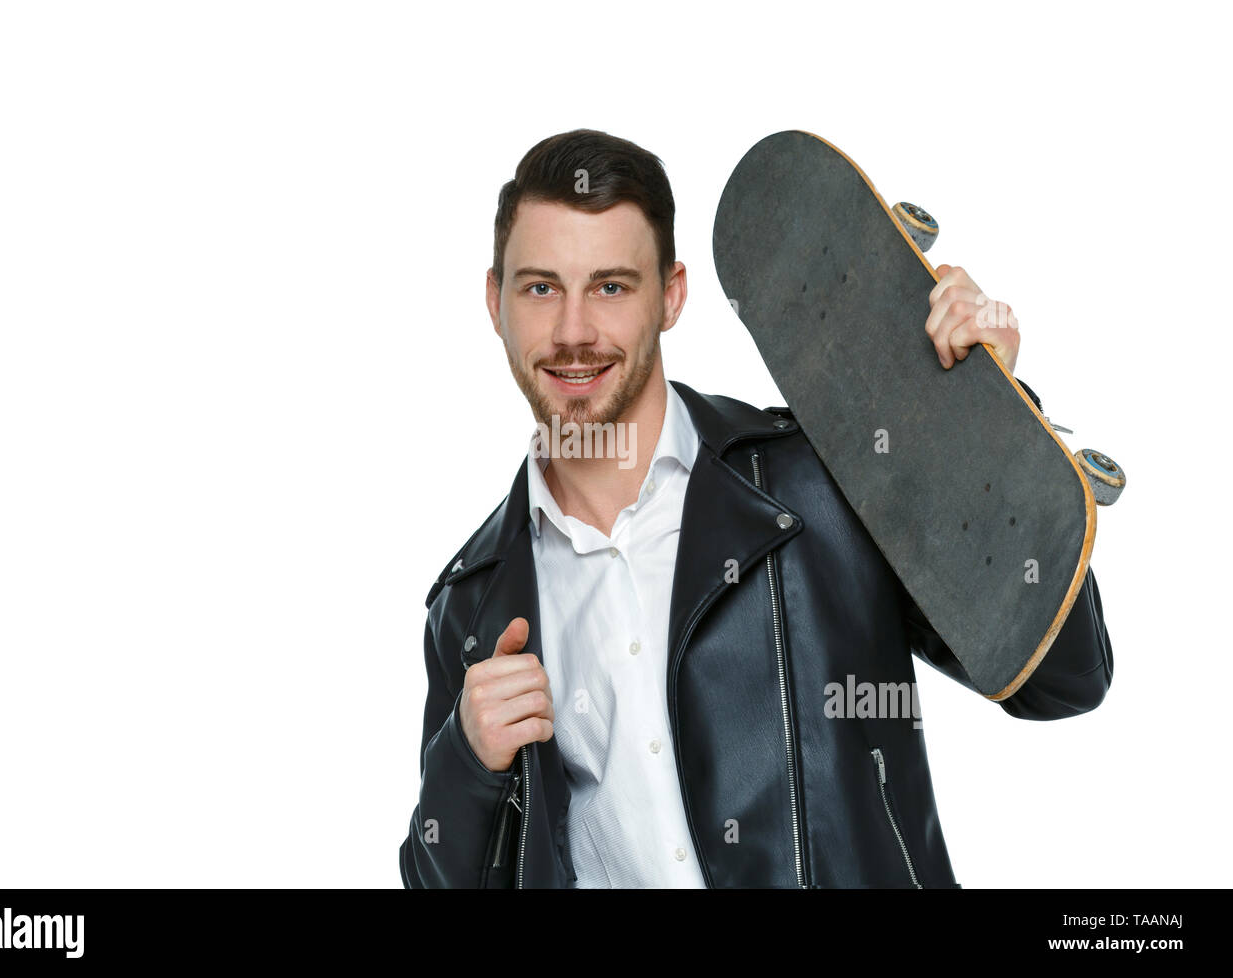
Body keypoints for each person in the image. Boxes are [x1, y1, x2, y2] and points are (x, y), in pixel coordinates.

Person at [398, 129, 1113, 889]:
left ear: (671, 296)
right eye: (541, 288)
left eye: (611, 286)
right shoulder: (471, 604)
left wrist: (980, 444)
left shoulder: (818, 483)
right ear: (494, 301)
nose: (574, 332)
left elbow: (1062, 681)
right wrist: (468, 764)